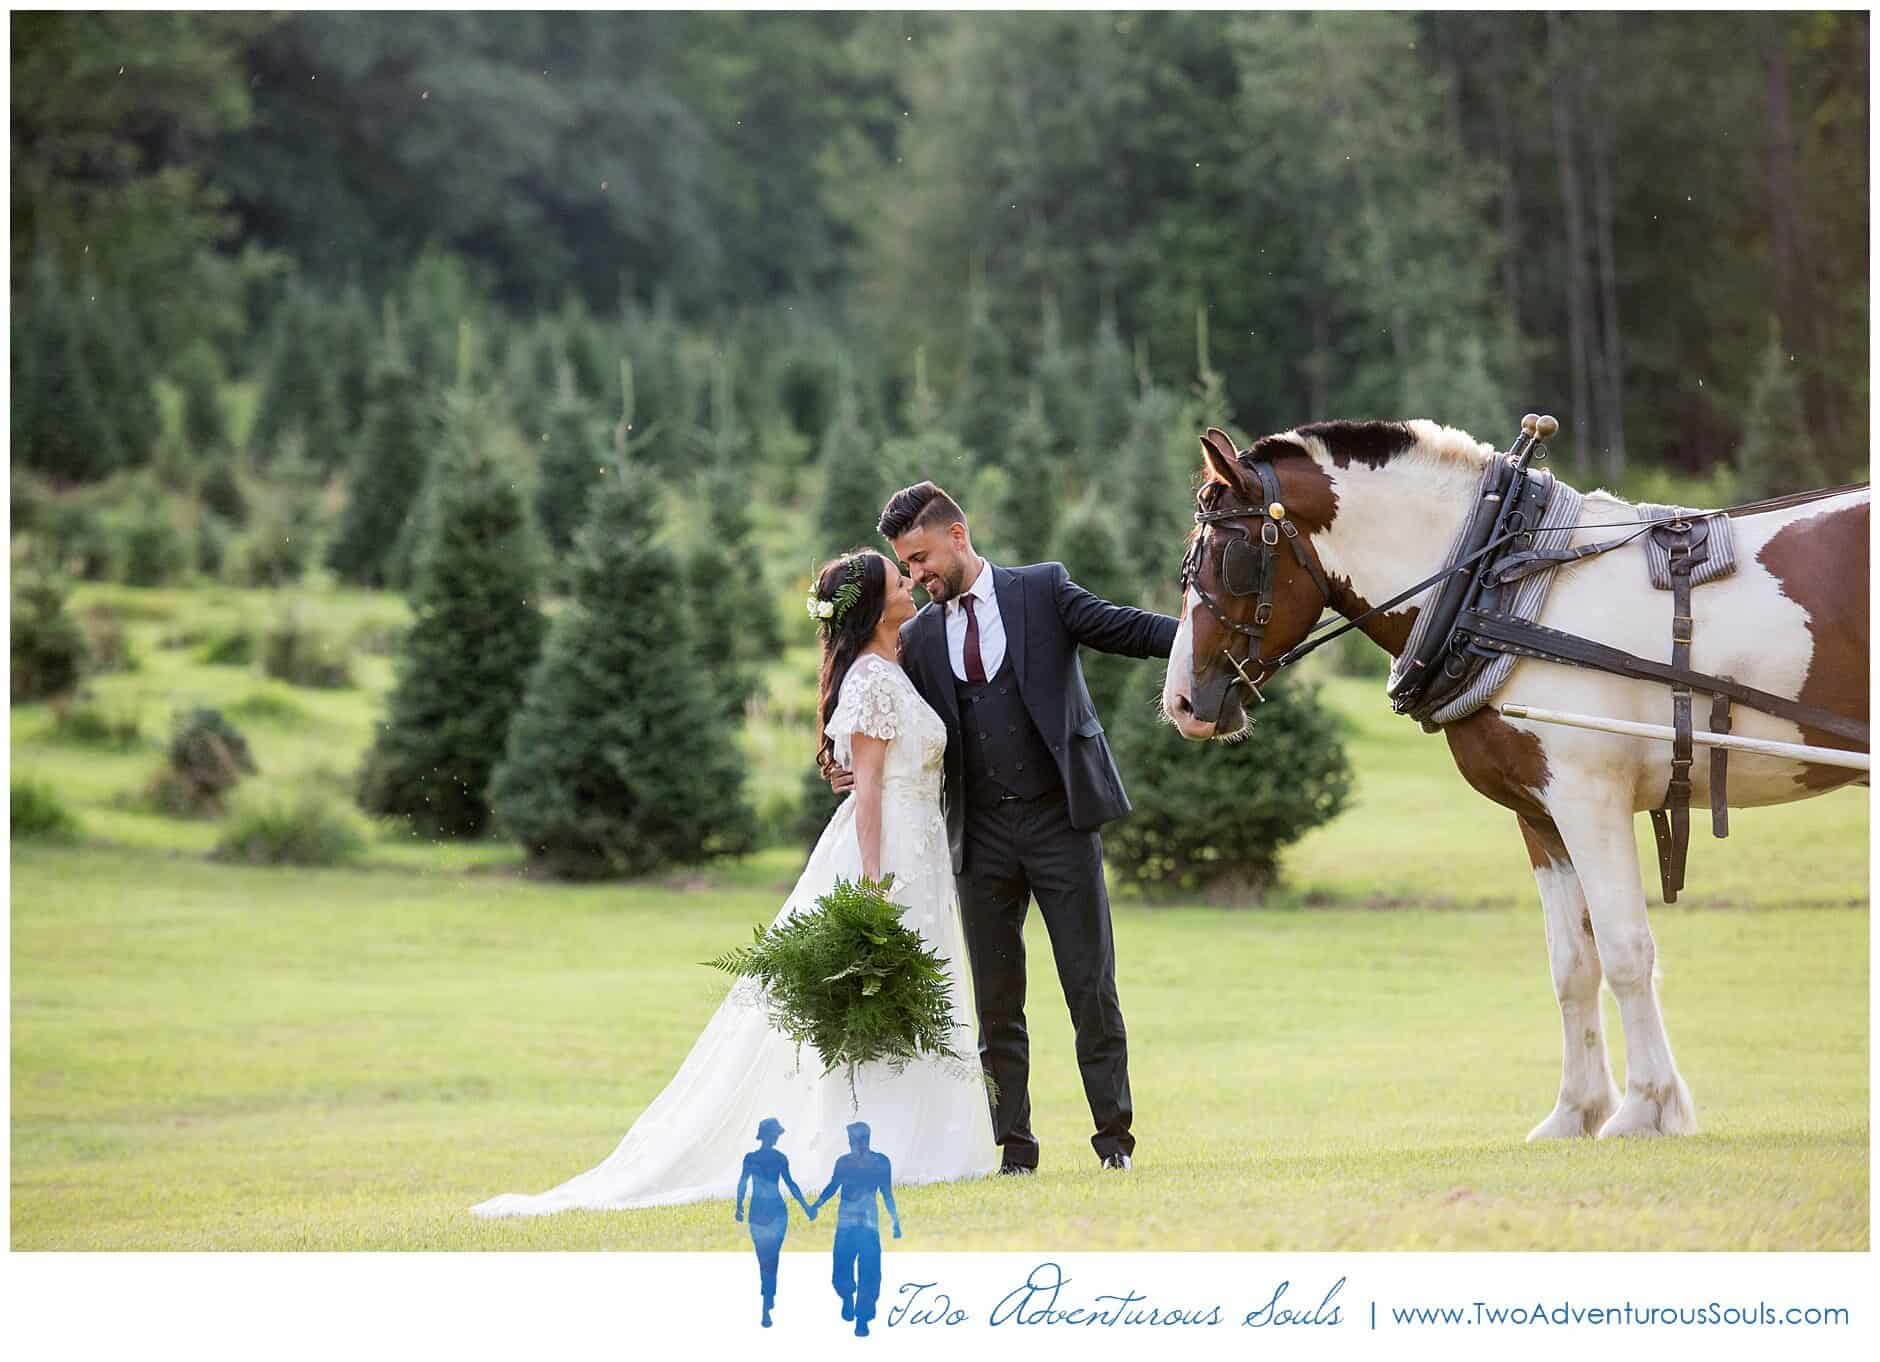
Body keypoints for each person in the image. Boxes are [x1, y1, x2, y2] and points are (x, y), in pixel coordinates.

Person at [470, 550, 996, 1218]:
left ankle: (927, 1143)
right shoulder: (869, 677)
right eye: (899, 582)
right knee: (869, 1000)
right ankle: (871, 1142)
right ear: (873, 605)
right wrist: (872, 883)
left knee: (915, 993)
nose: (911, 585)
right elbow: (866, 788)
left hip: (920, 850)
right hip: (886, 850)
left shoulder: (895, 667)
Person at [833, 482, 1177, 1175]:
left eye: (923, 557)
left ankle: (1114, 1142)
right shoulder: (920, 635)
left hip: (1062, 823)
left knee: (1091, 986)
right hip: (977, 836)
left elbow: (1124, 629)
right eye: (907, 564)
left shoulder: (1041, 591)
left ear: (958, 536)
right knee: (997, 1004)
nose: (918, 574)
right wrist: (843, 760)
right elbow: (883, 709)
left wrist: (1203, 640)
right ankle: (1014, 1149)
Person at [809, 1122, 901, 1338]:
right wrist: (817, 1205)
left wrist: (895, 1221)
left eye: (851, 1139)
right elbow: (834, 1187)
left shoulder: (869, 1163)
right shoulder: (865, 1162)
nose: (851, 1143)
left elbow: (886, 1193)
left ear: (856, 1140)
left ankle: (861, 1317)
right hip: (856, 1225)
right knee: (852, 1268)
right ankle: (851, 1301)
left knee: (862, 1270)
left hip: (860, 1226)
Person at [735, 1117, 814, 1329]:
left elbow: (789, 1184)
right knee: (768, 1257)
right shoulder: (772, 1158)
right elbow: (745, 1182)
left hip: (765, 1211)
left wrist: (739, 1206)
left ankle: (767, 1295)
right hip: (770, 1211)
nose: (778, 1138)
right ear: (770, 1135)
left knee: (766, 1257)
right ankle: (768, 1293)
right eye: (776, 1134)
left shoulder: (759, 1159)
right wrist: (738, 1205)